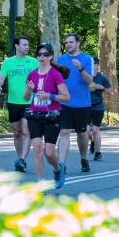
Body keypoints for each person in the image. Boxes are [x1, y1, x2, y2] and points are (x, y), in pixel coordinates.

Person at [24, 43, 70, 188]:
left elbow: (66, 97)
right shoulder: (32, 74)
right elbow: (26, 98)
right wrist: (29, 89)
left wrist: (50, 96)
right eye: (39, 54)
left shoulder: (55, 74)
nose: (42, 57)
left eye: (45, 54)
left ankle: (58, 169)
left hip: (52, 116)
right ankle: (40, 182)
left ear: (50, 56)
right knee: (37, 148)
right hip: (34, 115)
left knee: (49, 152)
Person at [0, 35, 38, 172]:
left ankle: (23, 159)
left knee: (26, 130)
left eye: (28, 45)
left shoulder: (33, 62)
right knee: (17, 132)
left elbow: (41, 77)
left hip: (29, 101)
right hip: (13, 102)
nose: (27, 47)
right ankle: (20, 159)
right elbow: (1, 77)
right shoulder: (8, 62)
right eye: (24, 45)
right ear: (17, 46)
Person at [56, 33, 94, 173]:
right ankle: (62, 164)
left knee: (81, 134)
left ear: (78, 43)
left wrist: (80, 68)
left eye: (71, 42)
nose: (68, 45)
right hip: (64, 102)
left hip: (82, 103)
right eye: (66, 42)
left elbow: (89, 81)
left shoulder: (87, 58)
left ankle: (83, 158)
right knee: (64, 131)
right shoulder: (60, 59)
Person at [88, 57, 111, 161]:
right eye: (90, 64)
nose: (92, 66)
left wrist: (102, 88)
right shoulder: (85, 76)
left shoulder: (102, 77)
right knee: (87, 131)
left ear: (97, 66)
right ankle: (92, 141)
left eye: (94, 64)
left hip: (98, 106)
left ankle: (98, 153)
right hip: (85, 106)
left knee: (95, 130)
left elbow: (109, 91)